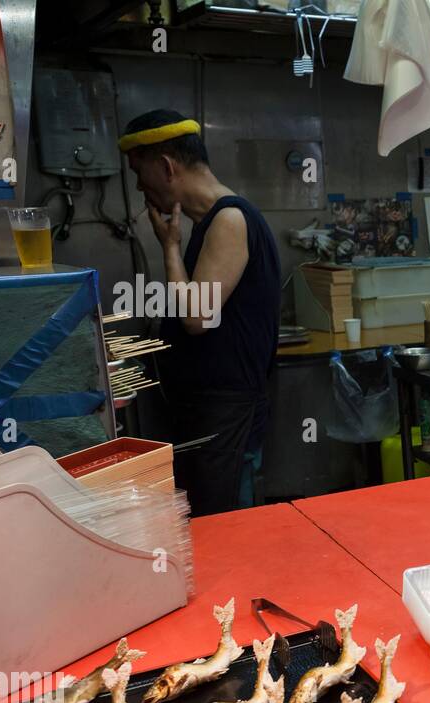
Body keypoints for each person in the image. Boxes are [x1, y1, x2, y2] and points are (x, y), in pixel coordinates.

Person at [119, 110, 281, 517]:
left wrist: (169, 248)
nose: (139, 186)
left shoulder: (229, 219)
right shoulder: (206, 223)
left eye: (140, 172)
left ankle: (243, 585)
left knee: (226, 524)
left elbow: (198, 316)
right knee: (207, 519)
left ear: (167, 166)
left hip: (228, 411)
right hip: (209, 408)